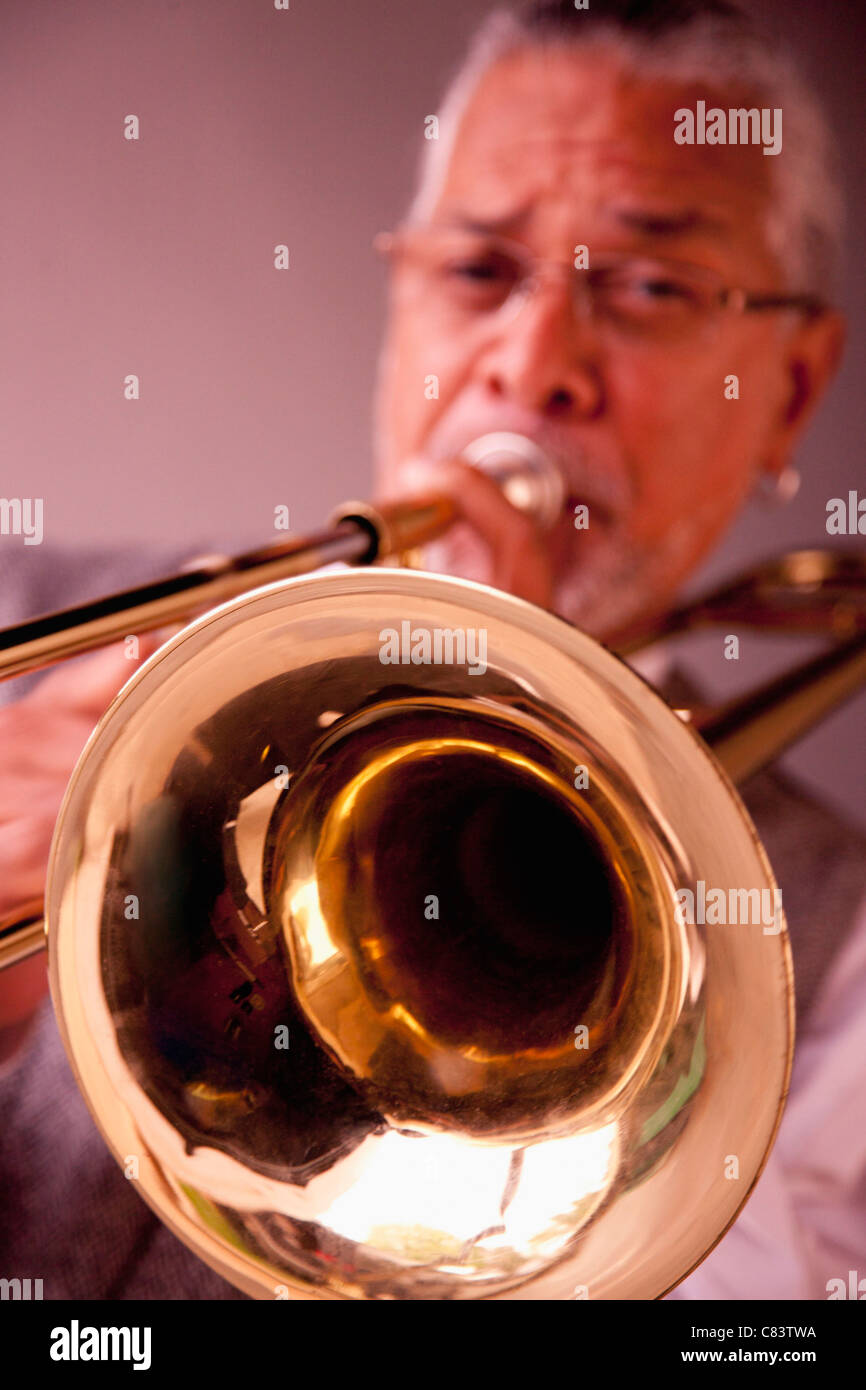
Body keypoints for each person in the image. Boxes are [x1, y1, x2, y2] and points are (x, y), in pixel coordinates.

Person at [1, 0, 863, 1300]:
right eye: (475, 272)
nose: (533, 363)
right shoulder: (28, 611)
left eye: (647, 286)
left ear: (787, 388)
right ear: (398, 298)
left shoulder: (838, 948)